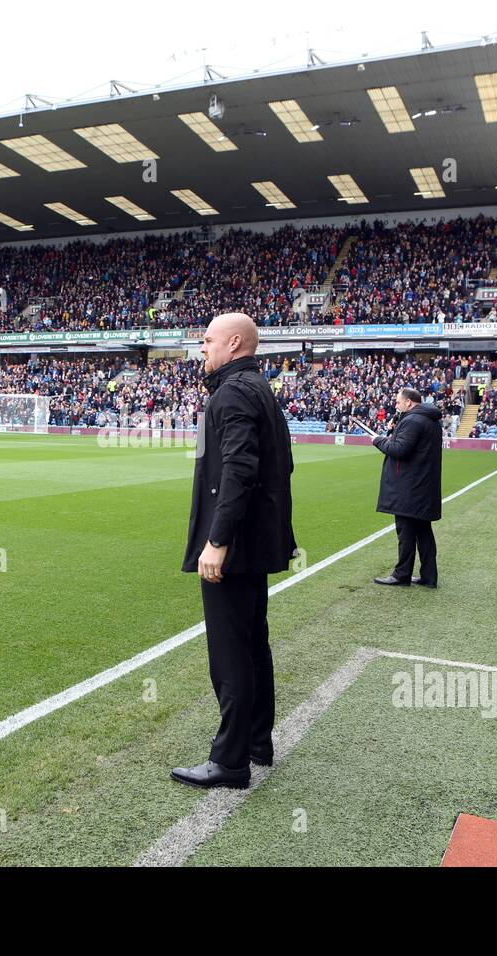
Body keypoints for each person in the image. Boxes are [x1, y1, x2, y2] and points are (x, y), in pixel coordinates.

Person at [173, 312, 297, 791]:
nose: (201, 348)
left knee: (229, 652)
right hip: (257, 541)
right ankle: (257, 742)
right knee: (252, 642)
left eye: (207, 340)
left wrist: (216, 542)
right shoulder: (259, 388)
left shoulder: (231, 393)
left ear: (235, 343)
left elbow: (238, 472)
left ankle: (229, 761)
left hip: (237, 545)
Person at [371, 388, 443, 588]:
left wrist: (378, 441)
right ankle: (429, 576)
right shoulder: (430, 420)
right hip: (423, 485)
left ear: (409, 403)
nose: (396, 405)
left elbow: (400, 449)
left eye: (398, 402)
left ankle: (401, 575)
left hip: (409, 487)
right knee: (423, 532)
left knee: (406, 533)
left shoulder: (413, 421)